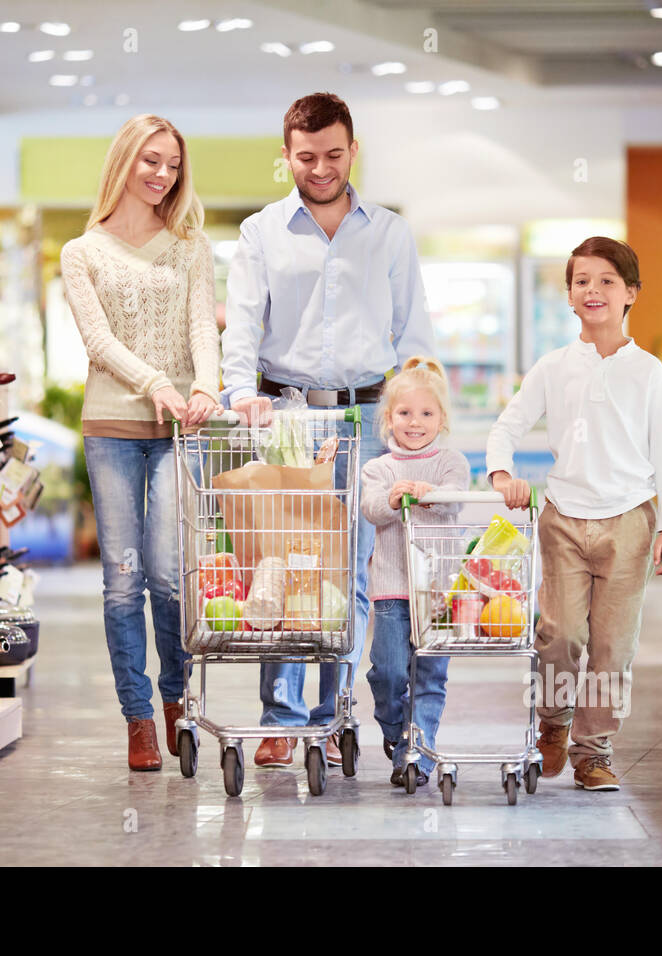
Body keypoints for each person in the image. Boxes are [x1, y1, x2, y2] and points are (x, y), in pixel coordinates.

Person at [221, 92, 435, 769]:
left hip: (370, 417)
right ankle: (281, 719)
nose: (320, 169)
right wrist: (239, 393)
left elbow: (414, 333)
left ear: (353, 151)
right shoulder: (260, 232)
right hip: (286, 414)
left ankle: (333, 712)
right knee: (281, 563)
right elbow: (242, 324)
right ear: (286, 155)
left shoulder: (390, 233)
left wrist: (421, 418)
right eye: (306, 157)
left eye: (333, 155)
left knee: (353, 571)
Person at [486, 236, 662, 792]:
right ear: (569, 296)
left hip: (630, 522)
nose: (593, 290)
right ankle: (553, 721)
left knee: (612, 648)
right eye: (581, 281)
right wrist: (500, 473)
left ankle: (593, 753)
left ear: (631, 293)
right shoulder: (553, 367)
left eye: (607, 281)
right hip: (564, 520)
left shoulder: (648, 372)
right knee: (559, 634)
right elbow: (507, 426)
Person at [61, 115, 221, 772]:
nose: (162, 174)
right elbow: (98, 342)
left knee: (169, 576)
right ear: (125, 160)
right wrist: (154, 382)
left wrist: (205, 385)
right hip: (112, 430)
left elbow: (202, 327)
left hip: (181, 430)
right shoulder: (82, 252)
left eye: (173, 165)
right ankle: (138, 719)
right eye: (151, 160)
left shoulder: (190, 246)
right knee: (123, 582)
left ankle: (176, 699)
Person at [359, 357, 469, 790]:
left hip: (438, 591)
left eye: (426, 413)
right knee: (387, 671)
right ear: (389, 418)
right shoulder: (379, 469)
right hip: (392, 589)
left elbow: (455, 499)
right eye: (405, 413)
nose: (415, 422)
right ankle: (396, 730)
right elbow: (371, 509)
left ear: (442, 420)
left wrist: (431, 494)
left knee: (430, 676)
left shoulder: (450, 463)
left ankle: (418, 755)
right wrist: (392, 499)